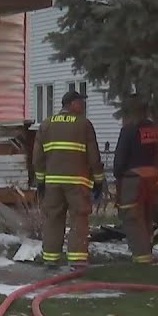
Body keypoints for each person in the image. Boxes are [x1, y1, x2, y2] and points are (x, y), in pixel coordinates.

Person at [32, 91, 105, 269]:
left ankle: (50, 259)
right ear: (72, 104)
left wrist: (40, 181)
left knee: (53, 219)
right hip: (77, 183)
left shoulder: (46, 124)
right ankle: (77, 261)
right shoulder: (84, 124)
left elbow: (38, 158)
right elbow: (93, 156)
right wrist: (98, 179)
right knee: (79, 219)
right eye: (81, 102)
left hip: (52, 183)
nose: (83, 106)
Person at [113, 98, 158, 264]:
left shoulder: (128, 130)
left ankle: (142, 257)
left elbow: (120, 160)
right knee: (147, 215)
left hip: (133, 179)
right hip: (152, 179)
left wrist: (117, 175)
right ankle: (148, 250)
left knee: (133, 218)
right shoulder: (154, 130)